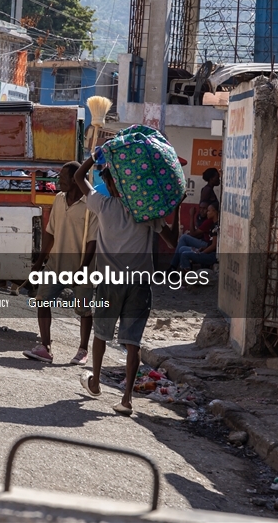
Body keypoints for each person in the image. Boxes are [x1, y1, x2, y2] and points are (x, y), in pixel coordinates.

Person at [73, 154, 179, 415]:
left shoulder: (103, 204)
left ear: (110, 183)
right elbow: (173, 241)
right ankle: (127, 400)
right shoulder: (146, 211)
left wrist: (92, 158)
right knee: (132, 342)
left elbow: (78, 178)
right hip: (140, 283)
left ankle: (95, 382)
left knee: (101, 332)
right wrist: (175, 209)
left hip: (110, 281)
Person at [23, 161, 98, 365]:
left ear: (76, 180)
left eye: (63, 178)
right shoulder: (58, 199)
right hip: (56, 263)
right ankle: (45, 347)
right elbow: (50, 233)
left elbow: (92, 240)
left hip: (83, 265)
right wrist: (39, 263)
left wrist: (83, 268)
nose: (59, 180)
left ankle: (82, 350)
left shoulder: (91, 204)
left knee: (84, 309)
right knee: (42, 300)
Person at [171, 202, 220, 271]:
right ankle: (175, 269)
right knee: (182, 249)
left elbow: (214, 246)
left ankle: (187, 277)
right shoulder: (212, 224)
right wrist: (202, 248)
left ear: (214, 212)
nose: (207, 213)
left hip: (212, 255)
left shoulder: (216, 226)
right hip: (206, 249)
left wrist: (201, 253)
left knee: (185, 254)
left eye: (208, 211)